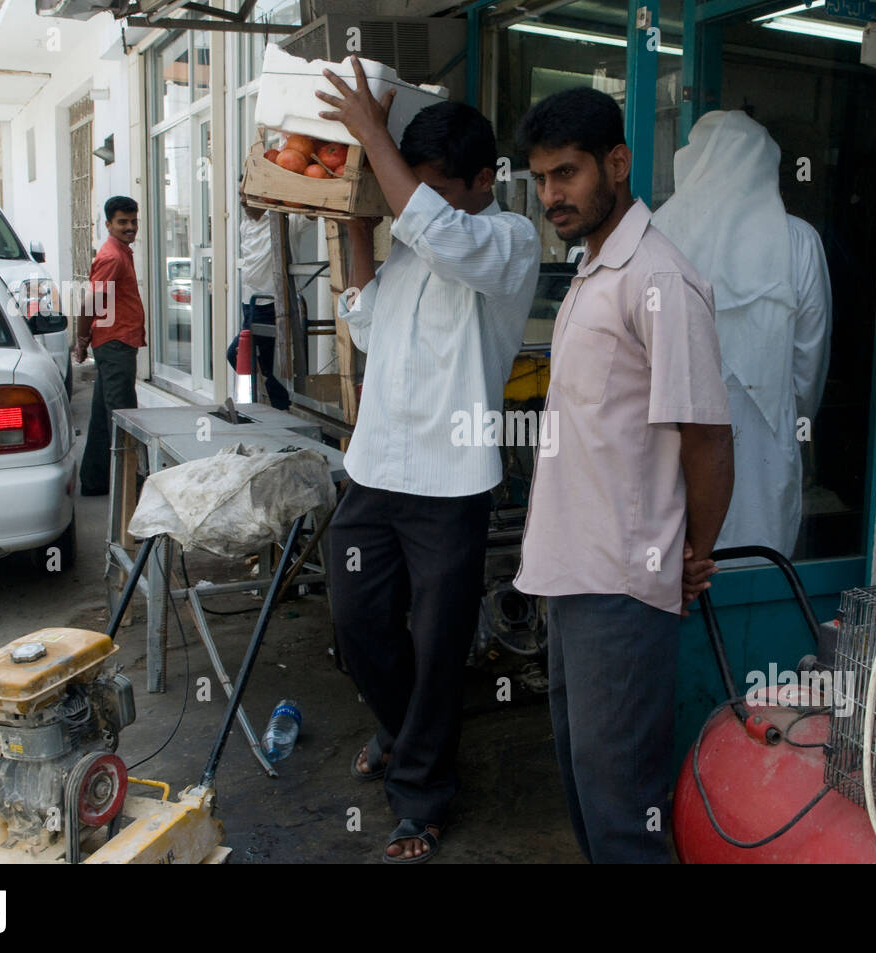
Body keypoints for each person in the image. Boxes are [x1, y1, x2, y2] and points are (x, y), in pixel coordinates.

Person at [315, 59, 541, 863]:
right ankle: (404, 730)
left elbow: (442, 233)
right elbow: (367, 325)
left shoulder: (509, 241)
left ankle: (421, 794)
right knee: (355, 624)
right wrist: (354, 221)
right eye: (416, 187)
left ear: (483, 182)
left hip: (450, 483)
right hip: (375, 471)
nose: (422, 205)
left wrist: (372, 135)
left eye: (438, 187)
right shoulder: (413, 246)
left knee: (439, 643)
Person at [512, 87, 734, 864]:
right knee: (585, 788)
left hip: (622, 581)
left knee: (623, 813)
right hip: (571, 575)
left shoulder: (658, 278)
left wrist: (691, 553)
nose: (552, 196)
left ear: (618, 162)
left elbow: (706, 434)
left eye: (566, 174)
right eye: (540, 179)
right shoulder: (594, 270)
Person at [654, 111, 831, 560]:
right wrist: (795, 419)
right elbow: (809, 357)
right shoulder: (799, 241)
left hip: (674, 435)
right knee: (761, 560)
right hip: (766, 439)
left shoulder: (656, 236)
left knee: (683, 565)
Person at [75, 195, 145, 497]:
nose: (130, 227)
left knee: (104, 419)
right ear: (108, 224)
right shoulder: (113, 256)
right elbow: (91, 302)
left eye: (133, 221)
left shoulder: (121, 251)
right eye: (122, 222)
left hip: (117, 341)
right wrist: (81, 339)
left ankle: (95, 481)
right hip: (115, 344)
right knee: (123, 418)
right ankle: (128, 489)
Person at [226, 184, 292, 410]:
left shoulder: (286, 221)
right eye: (241, 195)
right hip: (250, 304)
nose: (243, 201)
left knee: (266, 366)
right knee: (248, 360)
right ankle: (268, 406)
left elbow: (310, 218)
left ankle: (278, 408)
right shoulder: (246, 224)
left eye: (249, 195)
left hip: (272, 305)